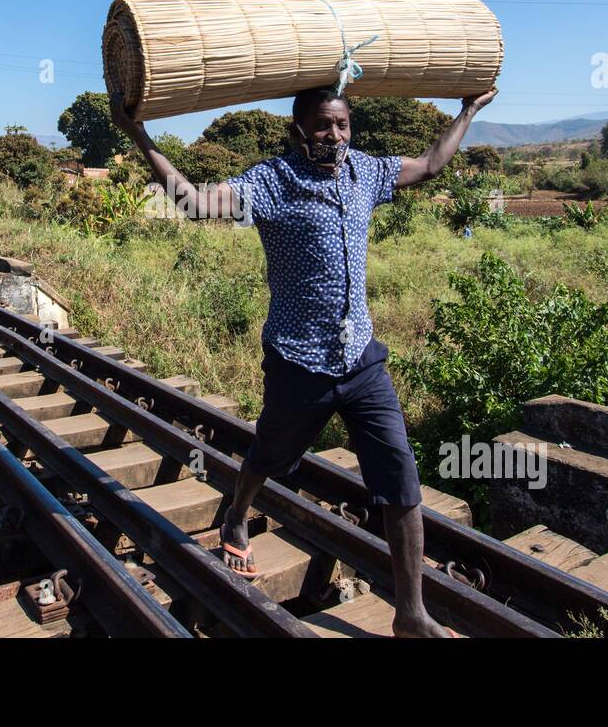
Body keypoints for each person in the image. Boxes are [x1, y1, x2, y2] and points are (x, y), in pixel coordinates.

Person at [112, 83, 497, 637]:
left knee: (400, 476)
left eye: (342, 124)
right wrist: (138, 134)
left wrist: (467, 111)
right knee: (270, 454)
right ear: (299, 130)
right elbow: (193, 203)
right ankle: (238, 513)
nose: (334, 135)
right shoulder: (271, 181)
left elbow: (432, 166)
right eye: (322, 125)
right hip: (299, 361)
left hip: (362, 360)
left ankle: (411, 613)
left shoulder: (366, 172)